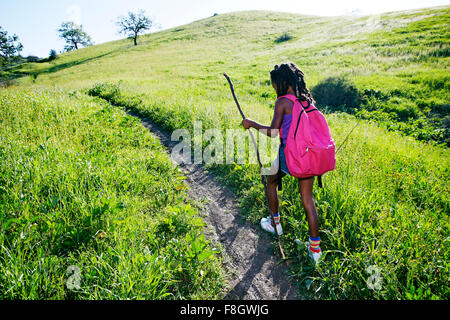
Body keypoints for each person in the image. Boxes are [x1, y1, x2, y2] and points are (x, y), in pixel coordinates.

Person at [241, 62, 322, 264]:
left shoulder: (283, 102)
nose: (273, 87)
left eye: (274, 84)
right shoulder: (306, 101)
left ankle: (275, 223)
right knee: (308, 200)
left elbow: (273, 132)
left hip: (290, 155)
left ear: (282, 82)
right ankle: (316, 250)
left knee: (271, 181)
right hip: (309, 156)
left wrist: (251, 123)